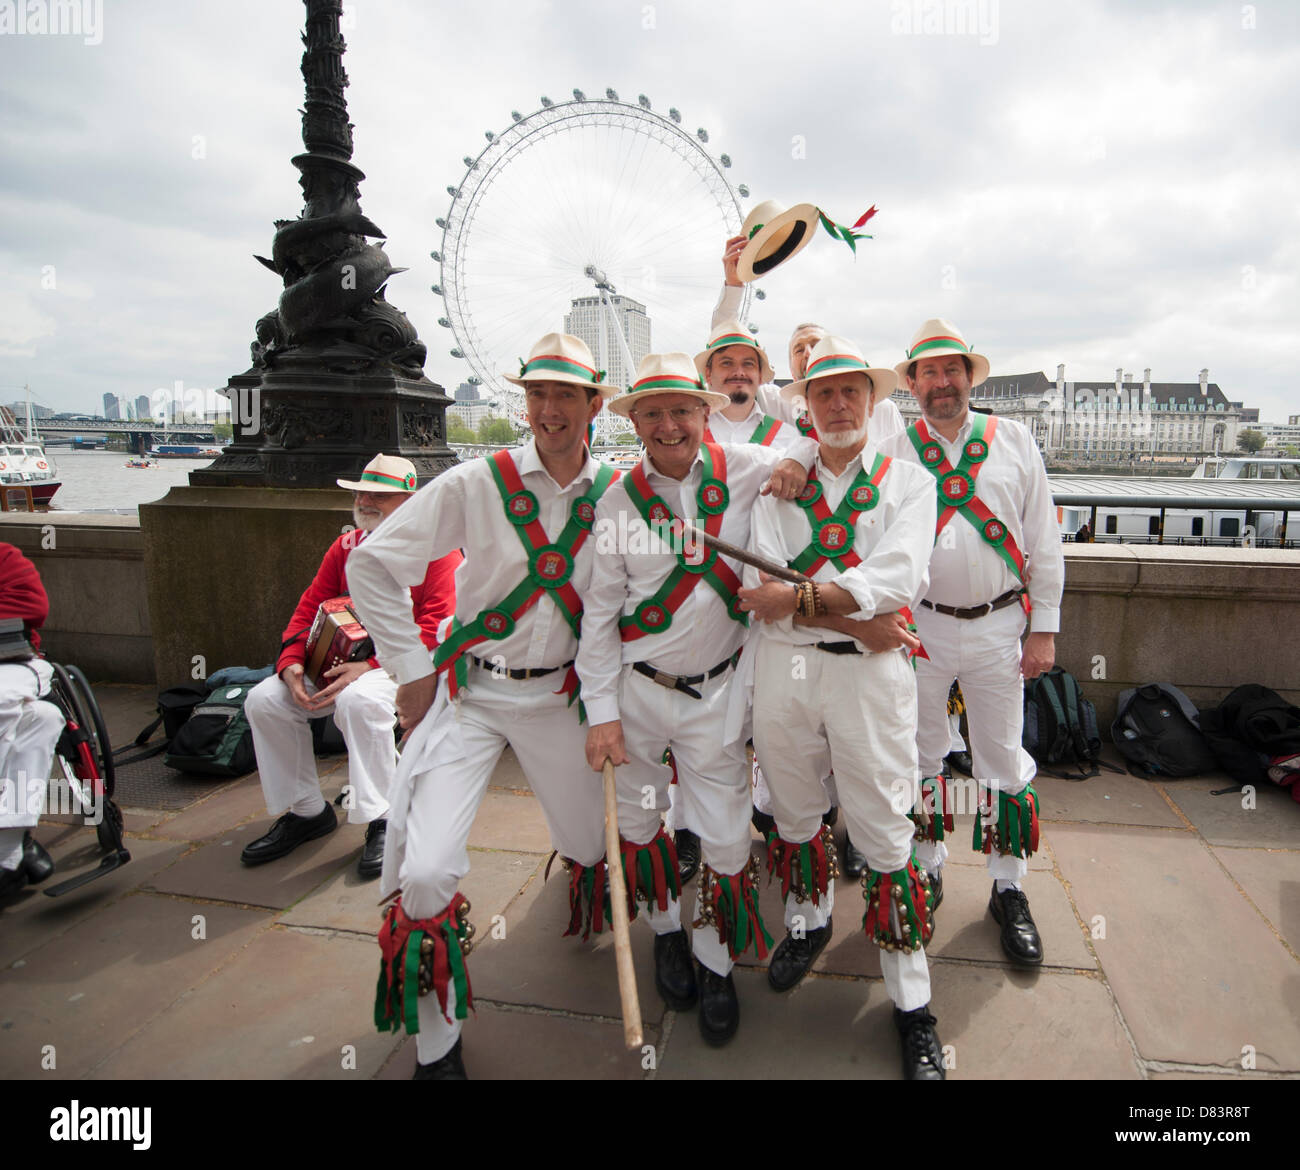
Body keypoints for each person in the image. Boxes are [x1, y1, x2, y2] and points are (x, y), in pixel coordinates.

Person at [345, 334, 622, 1080]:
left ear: (595, 404)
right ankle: (437, 1048)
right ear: (523, 402)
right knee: (427, 870)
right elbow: (370, 562)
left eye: (566, 394)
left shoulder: (619, 496)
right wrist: (408, 669)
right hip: (472, 695)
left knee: (596, 848)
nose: (550, 409)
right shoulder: (478, 482)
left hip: (561, 697)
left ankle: (598, 887)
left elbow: (646, 592)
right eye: (537, 394)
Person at [578, 351, 808, 1048]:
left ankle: (715, 962)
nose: (669, 425)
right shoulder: (616, 502)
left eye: (683, 410)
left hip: (719, 695)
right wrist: (602, 715)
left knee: (729, 836)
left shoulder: (747, 471)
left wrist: (796, 455)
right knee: (644, 829)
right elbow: (598, 613)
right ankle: (667, 934)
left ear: (708, 415)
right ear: (636, 423)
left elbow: (821, 434)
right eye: (653, 413)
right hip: (638, 695)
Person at [738, 335, 945, 1080]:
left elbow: (897, 581)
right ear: (805, 407)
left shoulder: (910, 484)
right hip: (791, 673)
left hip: (868, 682)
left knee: (886, 833)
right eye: (821, 394)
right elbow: (765, 603)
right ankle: (810, 922)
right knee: (795, 815)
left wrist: (801, 600)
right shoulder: (775, 484)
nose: (835, 404)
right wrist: (856, 619)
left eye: (849, 391)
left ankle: (913, 1006)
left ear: (872, 398)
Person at [880, 319, 1064, 967]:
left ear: (968, 376)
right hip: (922, 627)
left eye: (951, 369)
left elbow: (1044, 538)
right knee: (922, 752)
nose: (940, 382)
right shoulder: (896, 451)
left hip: (999, 627)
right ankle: (927, 869)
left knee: (1001, 755)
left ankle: (1007, 886)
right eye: (927, 372)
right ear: (911, 384)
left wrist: (1045, 627)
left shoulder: (1013, 440)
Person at [240, 455, 459, 881]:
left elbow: (437, 629)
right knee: (264, 699)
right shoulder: (345, 546)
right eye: (361, 491)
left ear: (409, 501)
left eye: (380, 494)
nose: (365, 499)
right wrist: (290, 664)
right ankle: (306, 810)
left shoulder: (439, 552)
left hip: (409, 668)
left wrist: (371, 667)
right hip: (343, 664)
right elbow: (308, 609)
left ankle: (386, 818)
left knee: (359, 702)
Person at [0, 542, 60, 898]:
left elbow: (30, 606)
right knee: (44, 718)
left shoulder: (6, 558)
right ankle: (9, 854)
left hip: (12, 663)